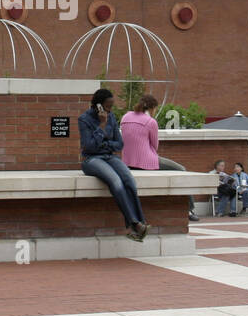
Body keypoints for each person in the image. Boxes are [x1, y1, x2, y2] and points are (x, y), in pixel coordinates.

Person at [79, 88, 148, 242]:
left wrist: (104, 145)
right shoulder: (84, 119)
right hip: (91, 160)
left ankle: (139, 223)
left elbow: (119, 144)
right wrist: (102, 126)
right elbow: (88, 147)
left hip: (110, 156)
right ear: (98, 105)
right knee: (116, 182)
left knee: (130, 181)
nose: (110, 109)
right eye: (107, 106)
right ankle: (135, 224)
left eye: (111, 106)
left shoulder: (112, 117)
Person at [120, 94, 196, 221]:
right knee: (181, 170)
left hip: (127, 161)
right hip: (147, 161)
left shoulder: (126, 116)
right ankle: (190, 209)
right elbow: (155, 146)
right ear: (152, 108)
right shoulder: (151, 122)